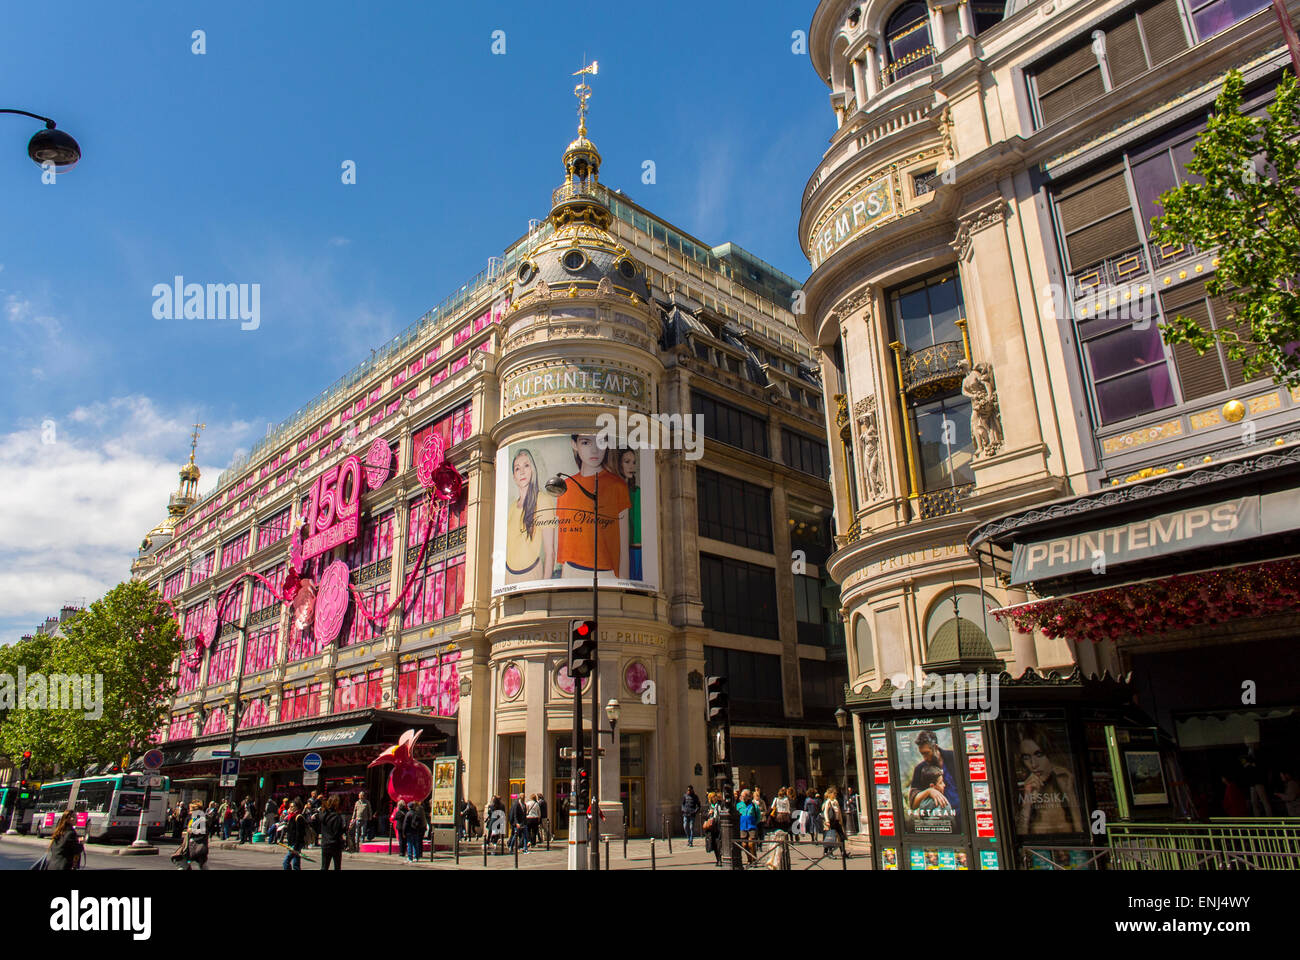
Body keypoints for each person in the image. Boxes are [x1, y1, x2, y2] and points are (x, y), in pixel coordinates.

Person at [556, 434, 631, 580]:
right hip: (571, 572)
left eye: (601, 441)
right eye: (586, 442)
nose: (595, 450)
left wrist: (625, 585)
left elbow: (623, 544)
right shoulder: (566, 487)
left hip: (606, 574)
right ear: (574, 444)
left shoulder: (617, 486)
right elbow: (564, 541)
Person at [1010, 726, 1081, 835]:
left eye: (1039, 754)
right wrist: (1027, 802)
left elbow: (1080, 829)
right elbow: (1021, 834)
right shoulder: (1023, 787)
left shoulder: (1064, 779)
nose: (1034, 764)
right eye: (1026, 757)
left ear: (1049, 754)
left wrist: (1070, 794)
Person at [505, 448, 557, 583]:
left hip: (531, 576)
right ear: (514, 477)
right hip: (508, 577)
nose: (522, 471)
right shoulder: (511, 507)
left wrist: (545, 586)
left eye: (526, 466)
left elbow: (550, 552)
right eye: (517, 468)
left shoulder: (543, 500)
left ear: (532, 470)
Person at [908, 730, 963, 832]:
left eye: (926, 753)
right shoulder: (920, 769)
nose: (924, 758)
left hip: (964, 817)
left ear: (936, 747)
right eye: (922, 754)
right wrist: (929, 791)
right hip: (941, 821)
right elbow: (913, 804)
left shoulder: (954, 757)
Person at [613, 448, 642, 580]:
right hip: (619, 552)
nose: (632, 466)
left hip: (639, 552)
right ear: (618, 464)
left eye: (634, 462)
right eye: (627, 462)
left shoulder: (638, 492)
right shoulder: (612, 491)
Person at [317, 796, 345, 870]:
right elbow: (337, 832)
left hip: (325, 843)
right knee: (337, 866)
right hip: (335, 844)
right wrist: (345, 829)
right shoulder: (336, 817)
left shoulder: (323, 814)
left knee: (324, 867)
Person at [181, 800, 209, 871]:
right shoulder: (193, 818)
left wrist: (192, 831)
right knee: (188, 862)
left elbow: (203, 831)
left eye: (191, 810)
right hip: (192, 845)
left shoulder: (201, 819)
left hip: (198, 846)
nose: (189, 812)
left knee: (202, 864)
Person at [735, 788, 760, 863]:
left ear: (748, 797)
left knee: (751, 843)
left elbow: (758, 816)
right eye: (741, 796)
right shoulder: (739, 805)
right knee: (744, 844)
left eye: (744, 796)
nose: (742, 797)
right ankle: (749, 859)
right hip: (742, 826)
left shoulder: (753, 805)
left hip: (751, 826)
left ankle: (754, 858)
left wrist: (755, 823)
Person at [821, 786, 845, 859]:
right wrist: (827, 821)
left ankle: (843, 852)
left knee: (841, 837)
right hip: (831, 822)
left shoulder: (835, 801)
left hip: (837, 821)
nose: (835, 795)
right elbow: (825, 812)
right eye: (834, 793)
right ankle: (829, 852)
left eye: (836, 793)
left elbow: (839, 812)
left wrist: (841, 820)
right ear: (830, 794)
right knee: (831, 837)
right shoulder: (828, 802)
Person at [282, 802, 306, 870]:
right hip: (292, 842)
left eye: (292, 806)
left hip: (296, 843)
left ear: (297, 807)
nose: (290, 808)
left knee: (286, 862)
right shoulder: (291, 816)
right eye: (290, 806)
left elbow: (299, 833)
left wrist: (296, 845)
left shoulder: (298, 817)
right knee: (296, 863)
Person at [703, 791, 723, 866]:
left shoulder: (721, 804)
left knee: (719, 843)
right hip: (711, 827)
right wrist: (709, 813)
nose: (715, 798)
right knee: (714, 844)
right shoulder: (708, 806)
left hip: (719, 825)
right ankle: (718, 859)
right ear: (710, 799)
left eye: (715, 796)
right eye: (713, 797)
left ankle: (720, 859)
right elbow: (703, 815)